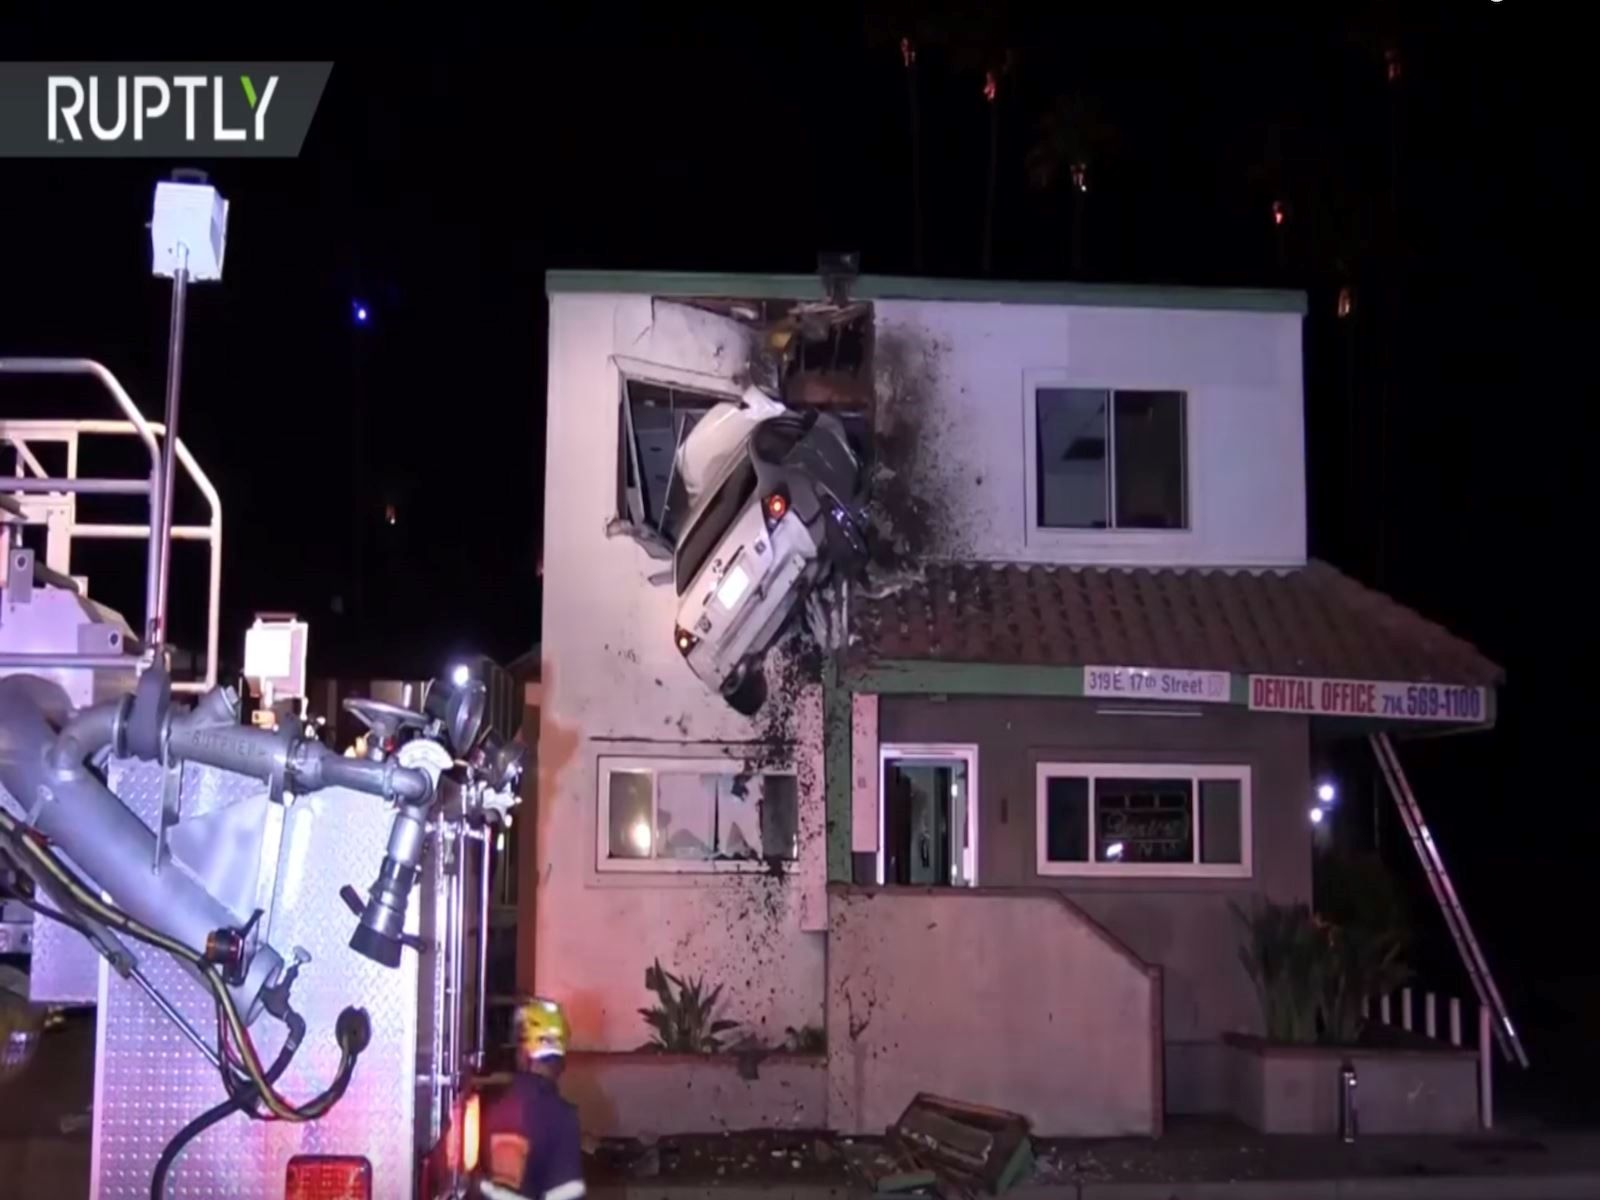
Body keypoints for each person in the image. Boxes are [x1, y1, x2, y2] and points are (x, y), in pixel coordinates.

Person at [474, 997, 585, 1200]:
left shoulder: (488, 1108)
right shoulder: (562, 1118)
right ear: (561, 1061)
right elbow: (567, 1194)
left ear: (522, 1054)